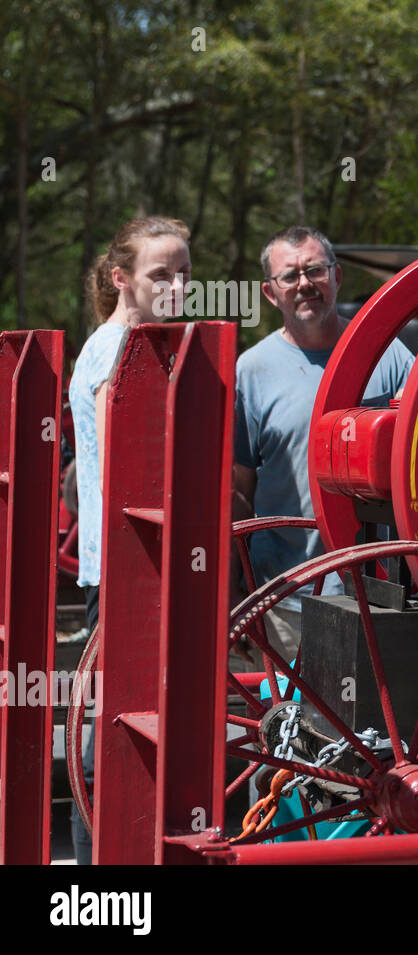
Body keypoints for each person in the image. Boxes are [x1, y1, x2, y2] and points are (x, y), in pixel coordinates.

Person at [67, 216, 192, 864]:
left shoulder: (138, 344)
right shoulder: (117, 354)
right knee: (114, 734)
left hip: (131, 565)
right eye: (159, 274)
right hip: (122, 572)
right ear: (121, 279)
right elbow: (134, 470)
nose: (176, 287)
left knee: (127, 726)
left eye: (184, 274)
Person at [233, 226, 413, 659]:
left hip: (373, 594)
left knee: (364, 724)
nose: (304, 284)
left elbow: (417, 462)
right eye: (290, 276)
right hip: (283, 595)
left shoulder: (390, 355)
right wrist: (233, 593)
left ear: (337, 276)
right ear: (270, 293)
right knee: (290, 724)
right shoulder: (251, 370)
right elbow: (239, 487)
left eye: (315, 270)